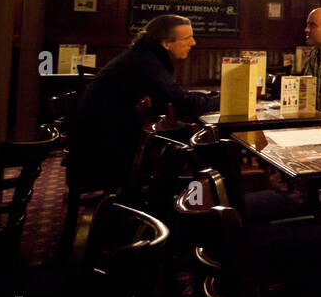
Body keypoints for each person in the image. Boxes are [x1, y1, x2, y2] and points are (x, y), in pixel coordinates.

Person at [71, 14, 220, 190]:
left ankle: (193, 196)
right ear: (166, 43)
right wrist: (224, 100)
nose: (193, 43)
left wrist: (211, 98)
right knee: (199, 143)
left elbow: (173, 97)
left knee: (186, 135)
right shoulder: (146, 63)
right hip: (103, 152)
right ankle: (200, 197)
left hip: (98, 142)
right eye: (187, 38)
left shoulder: (143, 56)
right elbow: (183, 104)